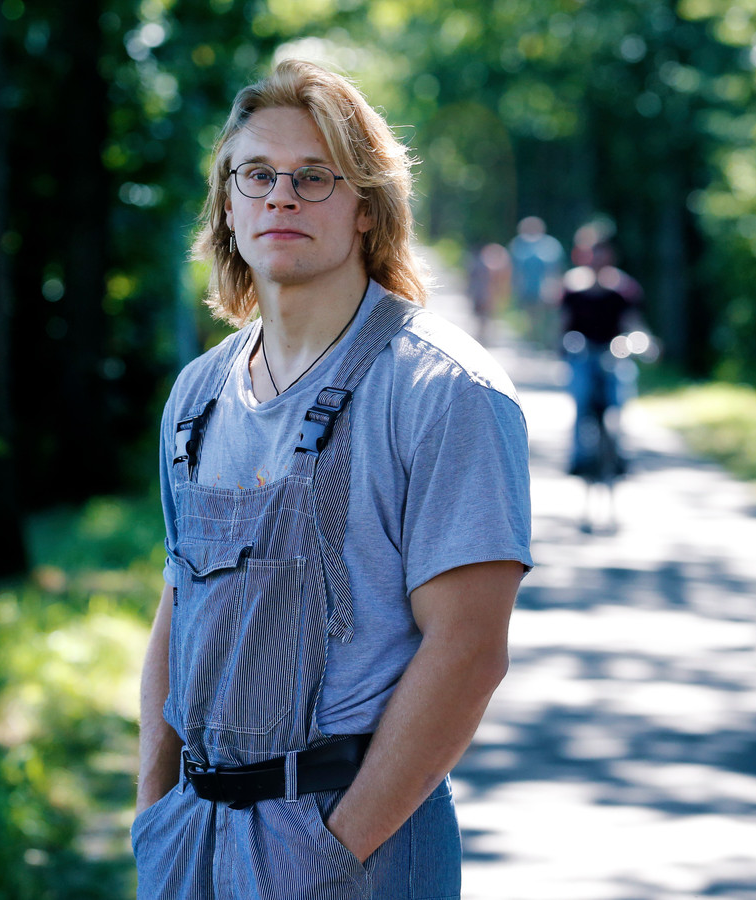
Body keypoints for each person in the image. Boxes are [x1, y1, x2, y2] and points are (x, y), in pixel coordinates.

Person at [132, 58, 533, 899]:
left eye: (315, 177)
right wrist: (152, 818)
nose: (281, 196)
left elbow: (468, 651)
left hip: (354, 853)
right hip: (194, 847)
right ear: (228, 206)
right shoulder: (197, 395)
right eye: (258, 175)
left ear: (365, 209)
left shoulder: (440, 390)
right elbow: (179, 609)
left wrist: (332, 851)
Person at [558, 222, 647, 478]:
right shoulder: (572, 286)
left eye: (602, 250)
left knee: (620, 395)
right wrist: (561, 347)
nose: (597, 256)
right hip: (582, 353)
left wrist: (643, 343)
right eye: (592, 250)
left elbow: (634, 324)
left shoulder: (624, 288)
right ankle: (578, 457)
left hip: (613, 354)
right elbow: (562, 324)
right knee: (581, 395)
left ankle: (620, 452)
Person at [506, 215, 565, 347]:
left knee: (548, 318)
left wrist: (555, 286)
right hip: (527, 288)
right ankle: (532, 340)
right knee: (530, 316)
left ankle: (545, 342)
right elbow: (514, 269)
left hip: (546, 288)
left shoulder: (550, 245)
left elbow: (556, 269)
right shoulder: (518, 244)